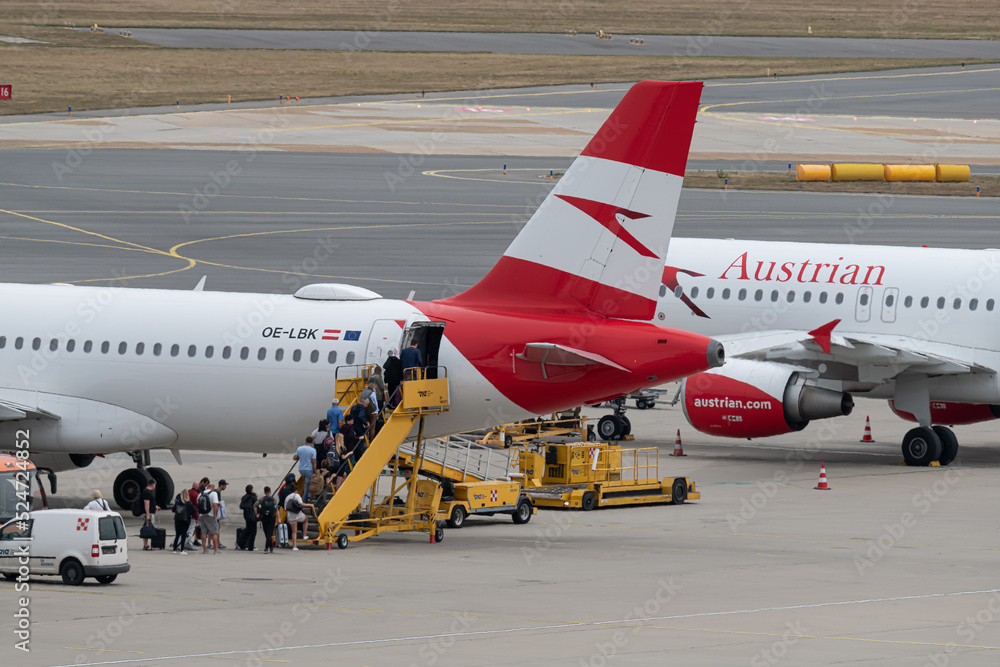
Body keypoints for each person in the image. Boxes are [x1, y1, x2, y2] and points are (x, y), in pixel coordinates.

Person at [198, 483, 221, 554]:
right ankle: (216, 549)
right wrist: (215, 514)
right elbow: (215, 504)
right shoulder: (213, 493)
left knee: (203, 532)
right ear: (213, 488)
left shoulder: (200, 494)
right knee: (214, 532)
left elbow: (198, 504)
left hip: (201, 515)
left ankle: (205, 549)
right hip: (210, 515)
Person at [294, 436, 318, 502]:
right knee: (307, 486)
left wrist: (301, 456)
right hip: (309, 469)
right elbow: (313, 462)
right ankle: (305, 501)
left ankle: (310, 496)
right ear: (312, 442)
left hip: (301, 469)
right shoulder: (313, 450)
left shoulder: (300, 448)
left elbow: (294, 457)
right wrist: (315, 471)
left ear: (305, 441)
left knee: (307, 483)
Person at [255, 486, 278, 554]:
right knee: (269, 534)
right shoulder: (273, 499)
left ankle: (269, 547)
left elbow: (255, 505)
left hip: (264, 518)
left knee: (266, 533)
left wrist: (257, 513)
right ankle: (267, 548)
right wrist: (279, 518)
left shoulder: (262, 499)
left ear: (264, 492)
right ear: (270, 491)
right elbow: (276, 509)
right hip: (272, 518)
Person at [237, 484, 258, 551]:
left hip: (246, 516)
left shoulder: (244, 497)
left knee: (248, 530)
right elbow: (256, 505)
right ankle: (250, 546)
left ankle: (241, 542)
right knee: (253, 531)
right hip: (252, 515)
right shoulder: (253, 497)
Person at [141, 478, 157, 551]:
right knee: (147, 528)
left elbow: (150, 502)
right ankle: (146, 545)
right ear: (153, 484)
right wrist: (147, 514)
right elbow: (146, 504)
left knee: (148, 528)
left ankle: (146, 544)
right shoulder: (147, 492)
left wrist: (155, 506)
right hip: (149, 513)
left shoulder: (149, 491)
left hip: (151, 512)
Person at [187, 481, 201, 549]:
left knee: (186, 529)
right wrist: (197, 517)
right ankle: (187, 543)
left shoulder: (188, 492)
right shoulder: (196, 494)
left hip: (186, 515)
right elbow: (196, 506)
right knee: (191, 530)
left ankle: (183, 542)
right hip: (193, 515)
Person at [216, 479, 229, 549]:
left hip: (215, 514)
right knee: (217, 528)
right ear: (221, 485)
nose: (225, 487)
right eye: (225, 485)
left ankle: (216, 542)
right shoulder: (217, 492)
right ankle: (218, 543)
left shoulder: (216, 491)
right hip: (216, 514)